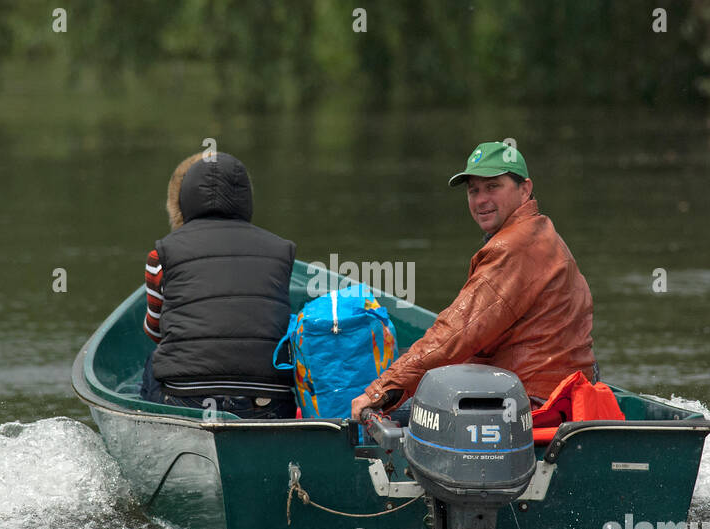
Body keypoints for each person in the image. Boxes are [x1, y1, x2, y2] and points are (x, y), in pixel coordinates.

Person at [350, 141, 596, 419]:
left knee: (375, 415)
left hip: (528, 403)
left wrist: (381, 389)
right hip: (556, 393)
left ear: (525, 189)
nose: (481, 200)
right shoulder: (539, 231)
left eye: (493, 187)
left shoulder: (512, 248)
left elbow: (455, 335)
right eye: (473, 190)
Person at [140, 151, 297, 419]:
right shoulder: (281, 251)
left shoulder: (162, 253)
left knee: (151, 362)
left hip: (185, 398)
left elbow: (156, 331)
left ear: (185, 198)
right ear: (246, 198)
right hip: (266, 400)